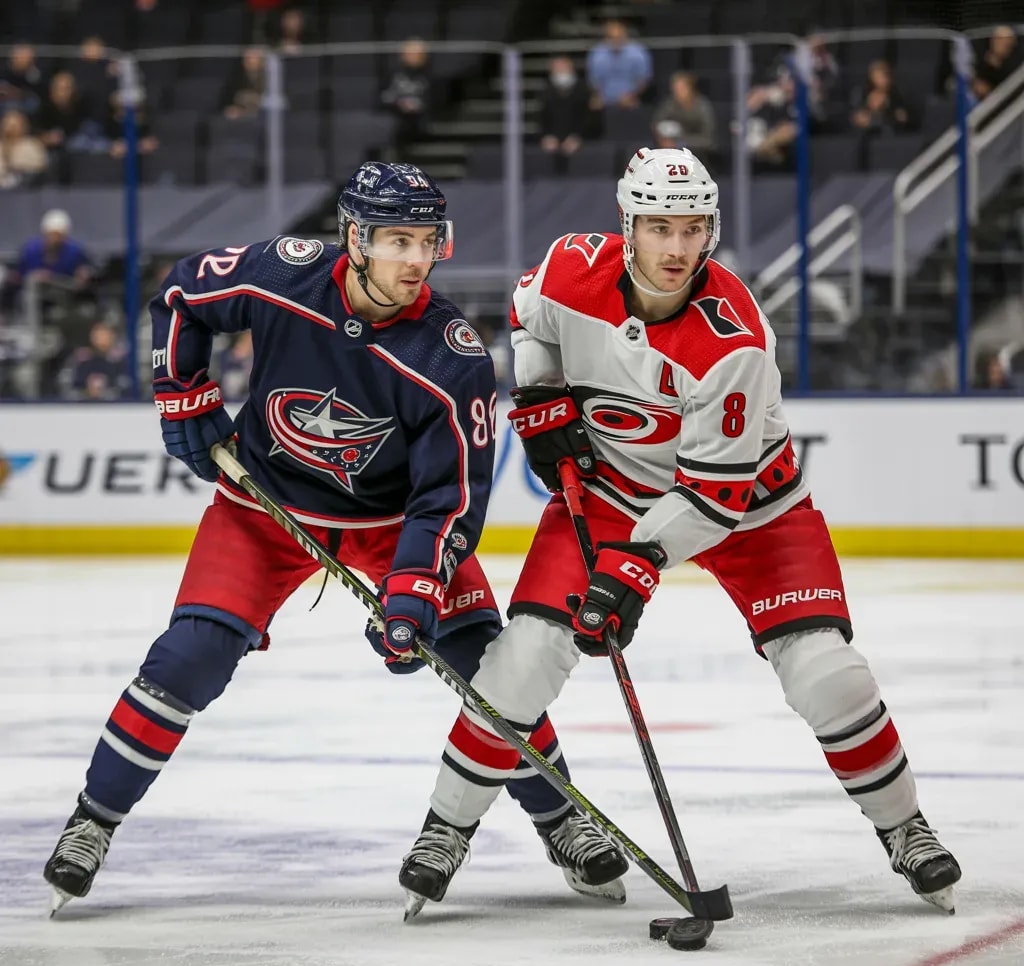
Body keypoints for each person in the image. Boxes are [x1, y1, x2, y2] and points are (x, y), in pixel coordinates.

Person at [42, 161, 627, 917]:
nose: (416, 260)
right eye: (398, 241)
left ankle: (560, 819)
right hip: (263, 509)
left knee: (489, 673)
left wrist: (414, 589)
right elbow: (183, 295)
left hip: (392, 527)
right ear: (354, 238)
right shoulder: (285, 275)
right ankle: (93, 820)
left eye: (428, 242)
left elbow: (448, 501)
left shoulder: (450, 357)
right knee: (187, 658)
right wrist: (182, 396)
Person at [401, 147, 962, 915]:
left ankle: (905, 827)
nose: (676, 248)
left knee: (827, 672)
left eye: (693, 228)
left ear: (712, 230)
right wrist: (539, 393)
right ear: (627, 225)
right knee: (523, 657)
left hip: (753, 510)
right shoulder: (570, 267)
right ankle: (444, 829)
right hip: (610, 492)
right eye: (660, 227)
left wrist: (633, 568)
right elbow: (531, 318)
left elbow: (711, 498)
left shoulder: (735, 343)